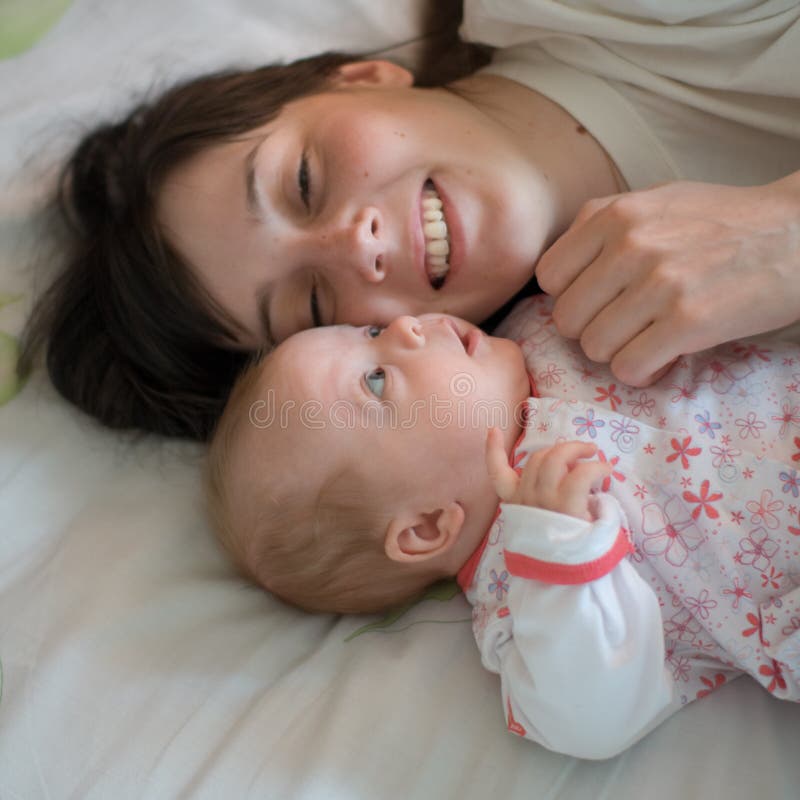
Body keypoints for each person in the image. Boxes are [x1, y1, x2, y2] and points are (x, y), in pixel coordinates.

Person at [19, 2, 800, 439]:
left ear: (358, 77)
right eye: (315, 306)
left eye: (301, 180)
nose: (351, 244)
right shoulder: (637, 418)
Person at [204, 297, 800, 759]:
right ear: (427, 527)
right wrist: (561, 552)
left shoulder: (537, 324)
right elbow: (590, 719)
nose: (406, 325)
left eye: (369, 331)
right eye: (377, 379)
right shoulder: (519, 594)